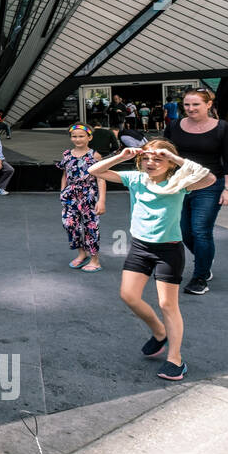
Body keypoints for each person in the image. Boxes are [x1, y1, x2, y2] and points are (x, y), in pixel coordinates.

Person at [89, 141, 216, 382]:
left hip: (168, 250)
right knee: (128, 296)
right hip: (140, 247)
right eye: (146, 158)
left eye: (158, 159)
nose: (151, 163)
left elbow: (209, 179)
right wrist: (121, 155)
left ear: (169, 162)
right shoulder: (136, 179)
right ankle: (159, 332)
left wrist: (175, 158)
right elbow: (94, 171)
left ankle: (175, 359)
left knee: (167, 304)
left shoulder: (180, 182)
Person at [162, 88, 228, 295]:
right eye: (187, 104)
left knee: (201, 230)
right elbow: (165, 153)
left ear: (208, 105)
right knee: (184, 231)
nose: (190, 108)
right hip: (181, 185)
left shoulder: (222, 128)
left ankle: (200, 276)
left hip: (210, 185)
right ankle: (205, 258)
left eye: (196, 104)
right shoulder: (175, 126)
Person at [57, 124, 106, 272]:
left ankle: (95, 259)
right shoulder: (67, 154)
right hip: (70, 195)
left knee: (91, 226)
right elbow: (65, 174)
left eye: (81, 136)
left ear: (89, 137)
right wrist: (62, 192)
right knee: (70, 225)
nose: (77, 139)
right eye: (74, 136)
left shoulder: (95, 156)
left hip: (89, 195)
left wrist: (101, 200)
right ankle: (81, 253)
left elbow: (101, 178)